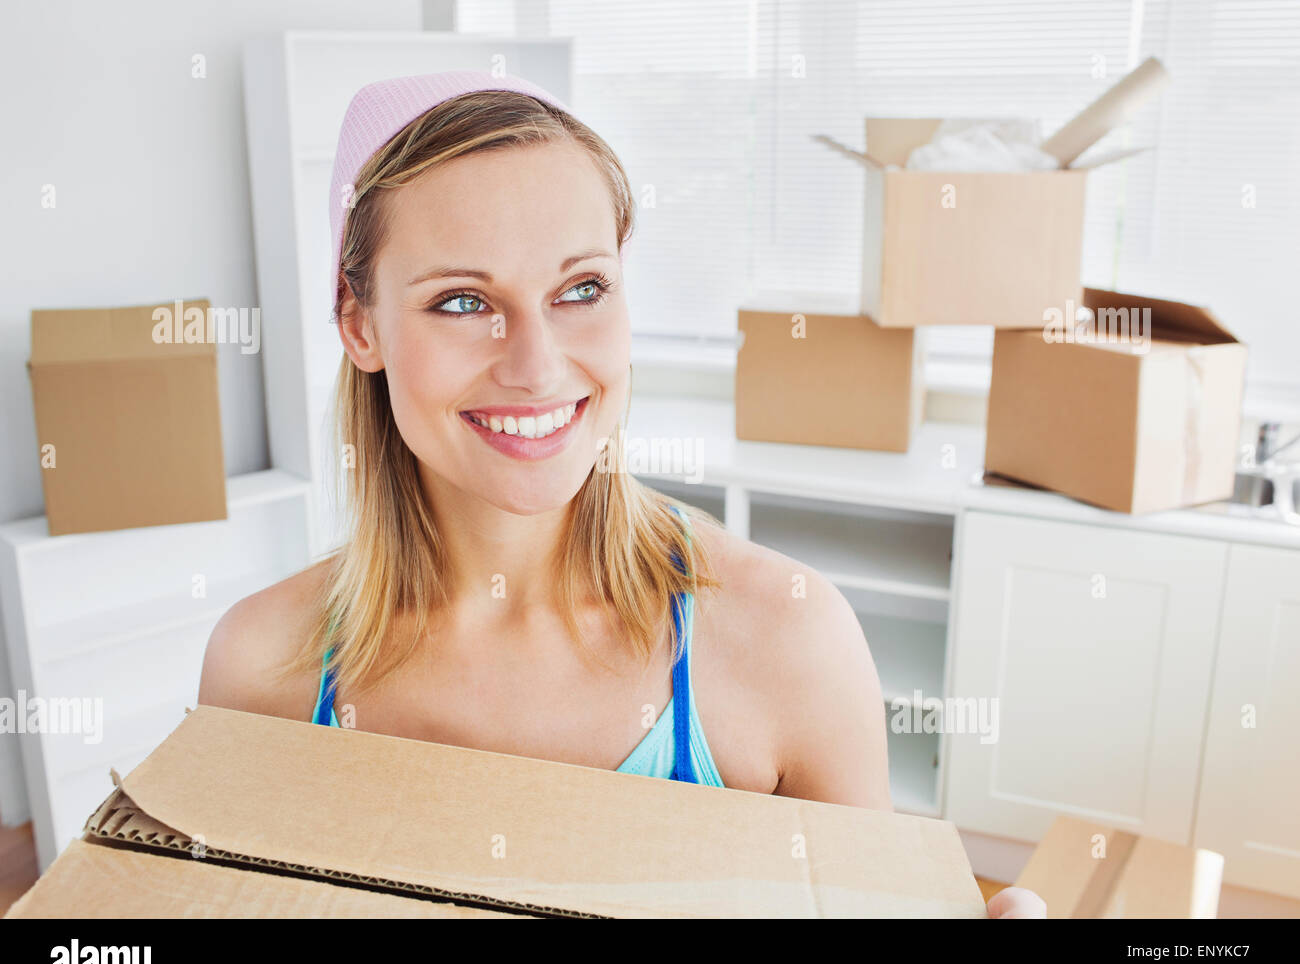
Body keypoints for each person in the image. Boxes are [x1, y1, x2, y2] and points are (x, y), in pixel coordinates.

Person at [199, 70, 1044, 919]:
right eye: (462, 301)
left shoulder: (788, 642)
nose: (535, 366)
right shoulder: (261, 667)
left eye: (580, 290)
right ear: (360, 324)